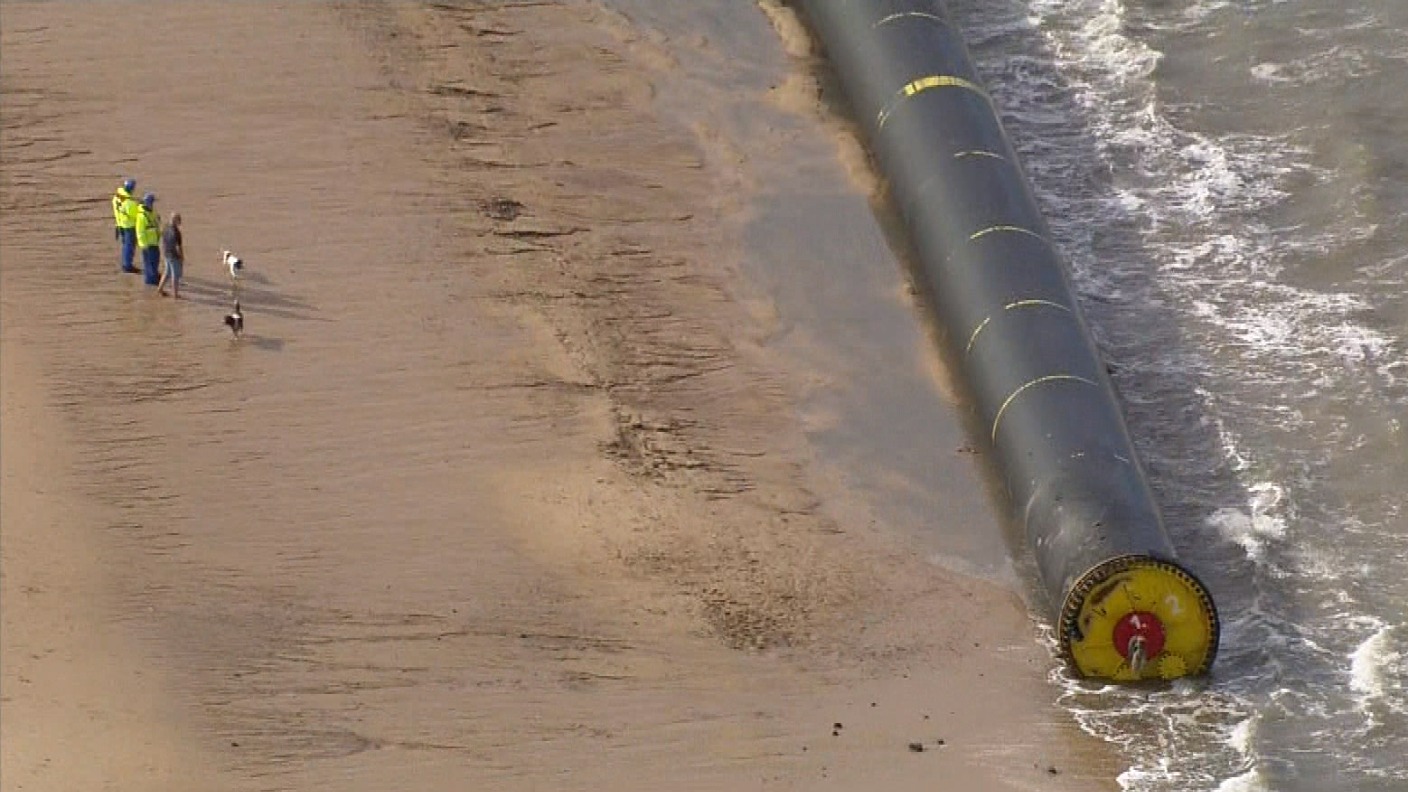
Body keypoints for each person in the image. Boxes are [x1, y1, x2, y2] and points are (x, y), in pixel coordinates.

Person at [135, 193, 162, 286]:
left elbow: (155, 223)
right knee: (149, 263)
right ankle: (151, 281)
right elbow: (140, 232)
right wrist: (143, 245)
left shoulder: (151, 212)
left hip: (154, 242)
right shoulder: (142, 216)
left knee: (155, 260)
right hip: (148, 244)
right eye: (152, 202)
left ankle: (154, 277)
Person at [112, 178, 138, 273]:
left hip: (120, 224)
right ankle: (127, 266)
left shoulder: (117, 196)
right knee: (129, 246)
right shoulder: (129, 202)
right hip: (128, 226)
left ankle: (125, 263)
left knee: (125, 245)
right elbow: (135, 215)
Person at [157, 213, 184, 298]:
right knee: (174, 275)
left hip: (166, 253)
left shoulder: (165, 227)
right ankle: (175, 294)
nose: (180, 222)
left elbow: (162, 240)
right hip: (174, 255)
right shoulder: (176, 232)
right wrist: (182, 257)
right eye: (179, 220)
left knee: (167, 272)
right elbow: (179, 247)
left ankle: (160, 289)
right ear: (176, 221)